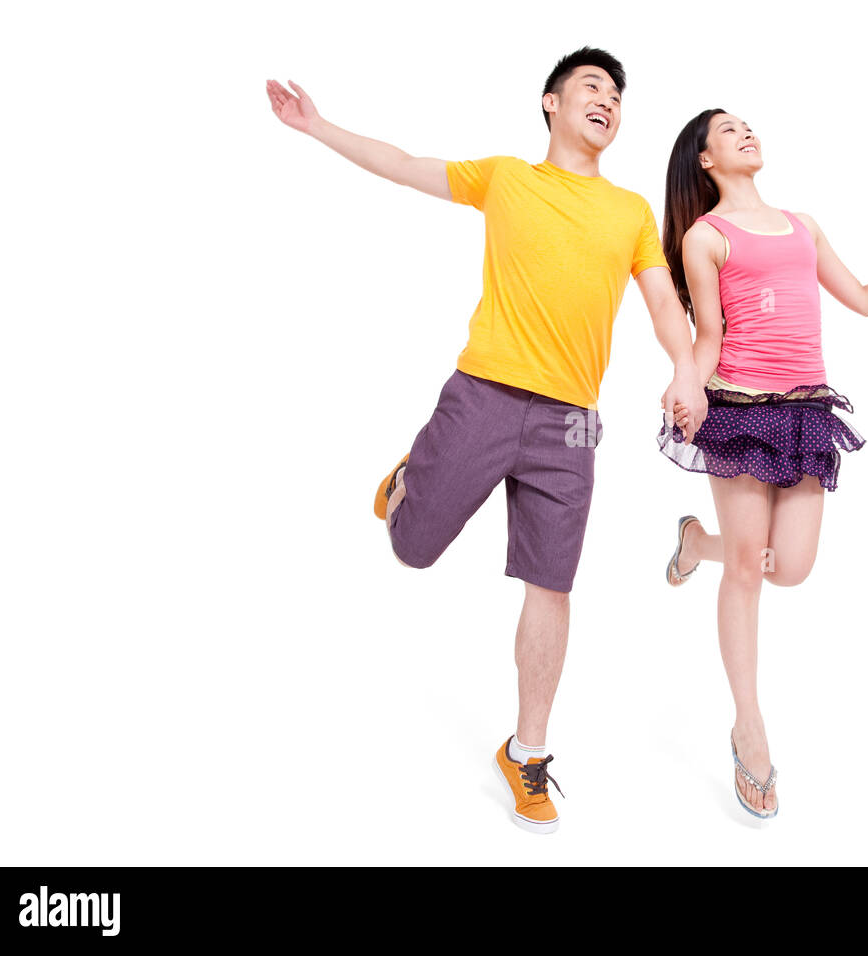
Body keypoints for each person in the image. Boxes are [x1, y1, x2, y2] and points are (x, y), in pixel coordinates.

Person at [265, 49, 708, 835]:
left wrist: (684, 368)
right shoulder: (506, 177)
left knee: (553, 585)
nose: (607, 101)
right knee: (412, 548)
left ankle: (526, 753)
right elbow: (403, 164)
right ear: (551, 102)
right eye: (591, 88)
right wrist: (316, 126)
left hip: (571, 424)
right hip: (483, 397)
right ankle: (413, 476)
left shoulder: (632, 212)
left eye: (616, 95)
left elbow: (666, 306)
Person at [657, 108, 868, 819]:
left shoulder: (803, 226)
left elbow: (861, 300)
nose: (746, 133)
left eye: (748, 125)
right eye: (728, 131)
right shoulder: (704, 237)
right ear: (705, 160)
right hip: (738, 409)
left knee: (791, 566)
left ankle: (695, 544)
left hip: (804, 410)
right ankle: (750, 727)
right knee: (750, 570)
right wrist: (687, 384)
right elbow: (707, 336)